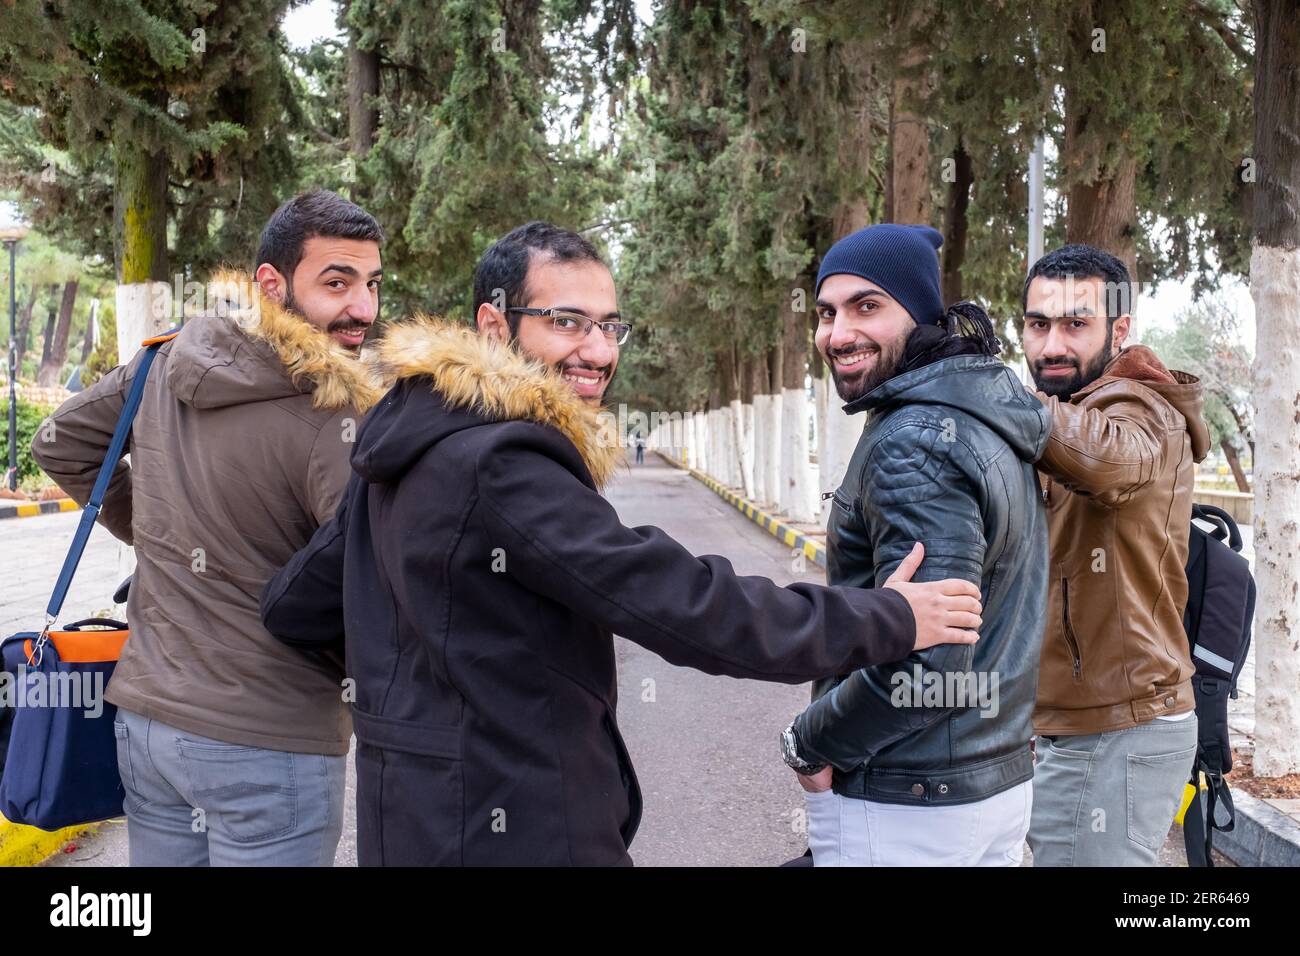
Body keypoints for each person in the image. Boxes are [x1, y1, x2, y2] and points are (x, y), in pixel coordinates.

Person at [260, 221, 983, 866]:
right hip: (519, 832)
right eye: (567, 322)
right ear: (494, 324)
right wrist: (890, 618)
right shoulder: (501, 463)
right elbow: (684, 602)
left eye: (610, 326)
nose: (598, 351)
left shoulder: (403, 440)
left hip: (406, 825)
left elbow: (295, 606)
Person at [31, 189, 384, 865]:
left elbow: (57, 440)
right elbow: (369, 584)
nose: (362, 308)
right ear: (271, 284)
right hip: (272, 743)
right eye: (336, 283)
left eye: (370, 284)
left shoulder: (162, 362)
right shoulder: (337, 416)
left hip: (148, 727)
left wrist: (154, 532)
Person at [779, 223, 1050, 866]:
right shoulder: (979, 415)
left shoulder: (914, 440)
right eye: (826, 313)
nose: (837, 334)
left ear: (920, 313)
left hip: (909, 801)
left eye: (867, 306)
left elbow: (928, 667)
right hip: (991, 784)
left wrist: (810, 741)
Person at [1021, 244, 1209, 866]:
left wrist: (990, 391)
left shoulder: (1142, 408)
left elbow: (1110, 462)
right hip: (1081, 720)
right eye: (1038, 323)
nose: (1052, 345)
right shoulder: (1066, 414)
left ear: (1120, 328)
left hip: (1120, 726)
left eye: (1076, 324)